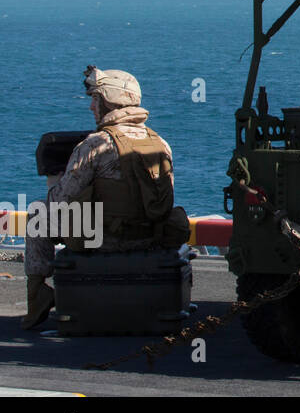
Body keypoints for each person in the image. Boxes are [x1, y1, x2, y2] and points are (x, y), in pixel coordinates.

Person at [23, 67, 184, 330]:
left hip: (107, 240)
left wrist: (58, 182)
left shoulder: (95, 145)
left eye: (95, 99)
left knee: (38, 213)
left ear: (110, 100)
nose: (91, 107)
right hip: (152, 237)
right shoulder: (160, 142)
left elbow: (59, 201)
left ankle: (37, 295)